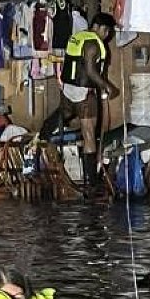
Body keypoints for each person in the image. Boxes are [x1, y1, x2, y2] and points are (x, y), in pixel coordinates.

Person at [40, 12, 120, 192]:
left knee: (65, 113)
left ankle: (44, 133)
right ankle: (91, 181)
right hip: (85, 92)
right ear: (98, 27)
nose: (107, 35)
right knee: (89, 134)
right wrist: (108, 87)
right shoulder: (93, 44)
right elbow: (91, 71)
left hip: (68, 88)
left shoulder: (77, 37)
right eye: (106, 30)